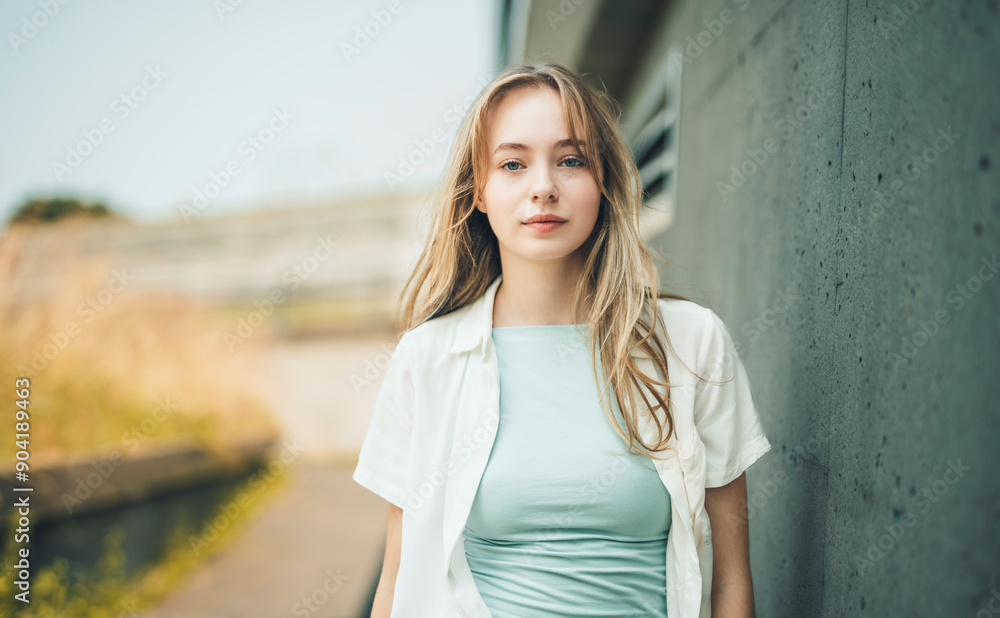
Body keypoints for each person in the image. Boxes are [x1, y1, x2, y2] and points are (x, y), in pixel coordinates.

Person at [353, 63, 772, 618]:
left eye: (571, 160)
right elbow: (397, 580)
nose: (543, 187)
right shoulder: (426, 360)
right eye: (513, 164)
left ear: (603, 181)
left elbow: (732, 581)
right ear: (480, 192)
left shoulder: (692, 343)